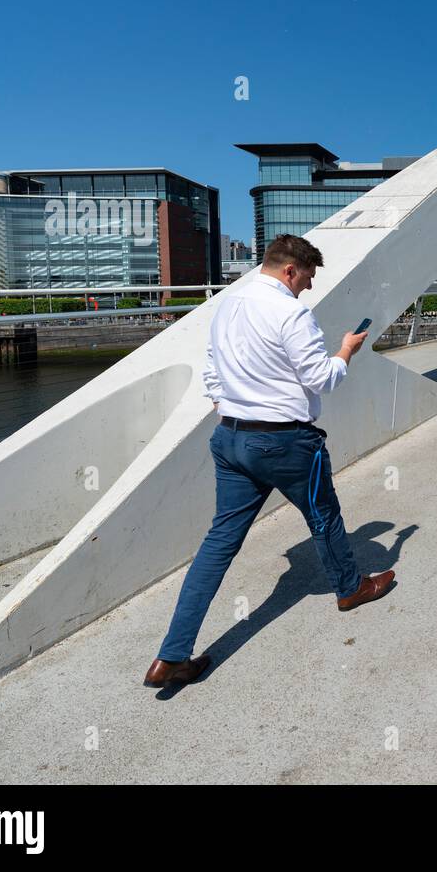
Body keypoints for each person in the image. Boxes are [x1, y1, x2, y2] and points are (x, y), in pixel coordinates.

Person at [143, 234, 393, 688]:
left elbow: (212, 373)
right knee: (324, 517)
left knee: (218, 543)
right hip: (285, 443)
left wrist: (233, 410)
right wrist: (346, 352)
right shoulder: (290, 312)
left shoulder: (228, 306)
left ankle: (171, 655)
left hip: (231, 439)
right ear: (291, 270)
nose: (309, 288)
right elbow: (320, 380)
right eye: (308, 278)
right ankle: (351, 589)